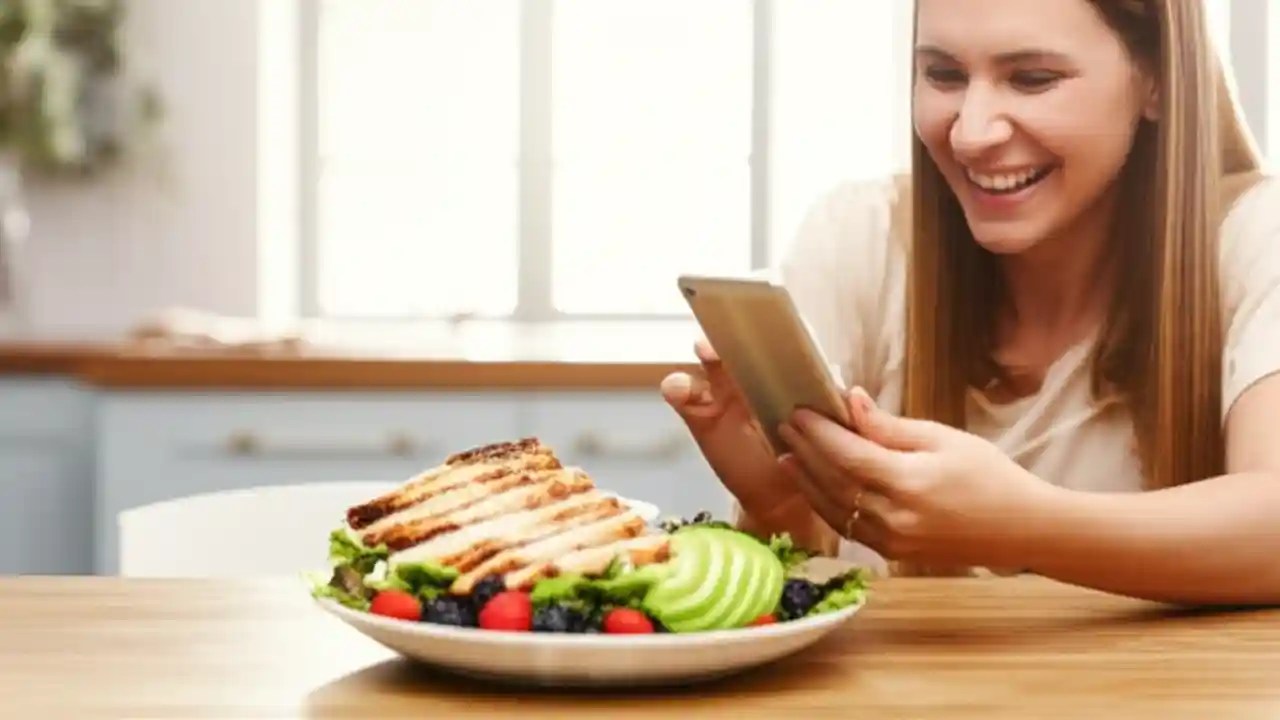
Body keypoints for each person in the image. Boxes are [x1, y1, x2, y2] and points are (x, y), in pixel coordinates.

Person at [661, 0, 1280, 606]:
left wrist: (1025, 525)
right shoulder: (860, 237)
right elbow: (799, 601)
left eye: (1033, 79)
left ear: (1157, 81)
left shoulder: (1255, 236)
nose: (971, 132)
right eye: (944, 75)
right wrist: (783, 505)